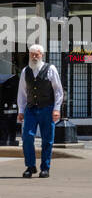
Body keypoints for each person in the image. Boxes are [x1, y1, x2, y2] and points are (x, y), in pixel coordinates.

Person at [16, 45, 63, 178]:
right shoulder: (25, 71)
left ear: (42, 55)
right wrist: (21, 110)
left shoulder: (50, 69)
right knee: (27, 137)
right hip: (31, 109)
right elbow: (22, 93)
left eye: (37, 54)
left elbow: (58, 90)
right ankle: (30, 166)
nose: (34, 57)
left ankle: (45, 168)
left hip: (47, 108)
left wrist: (56, 109)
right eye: (32, 54)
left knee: (47, 139)